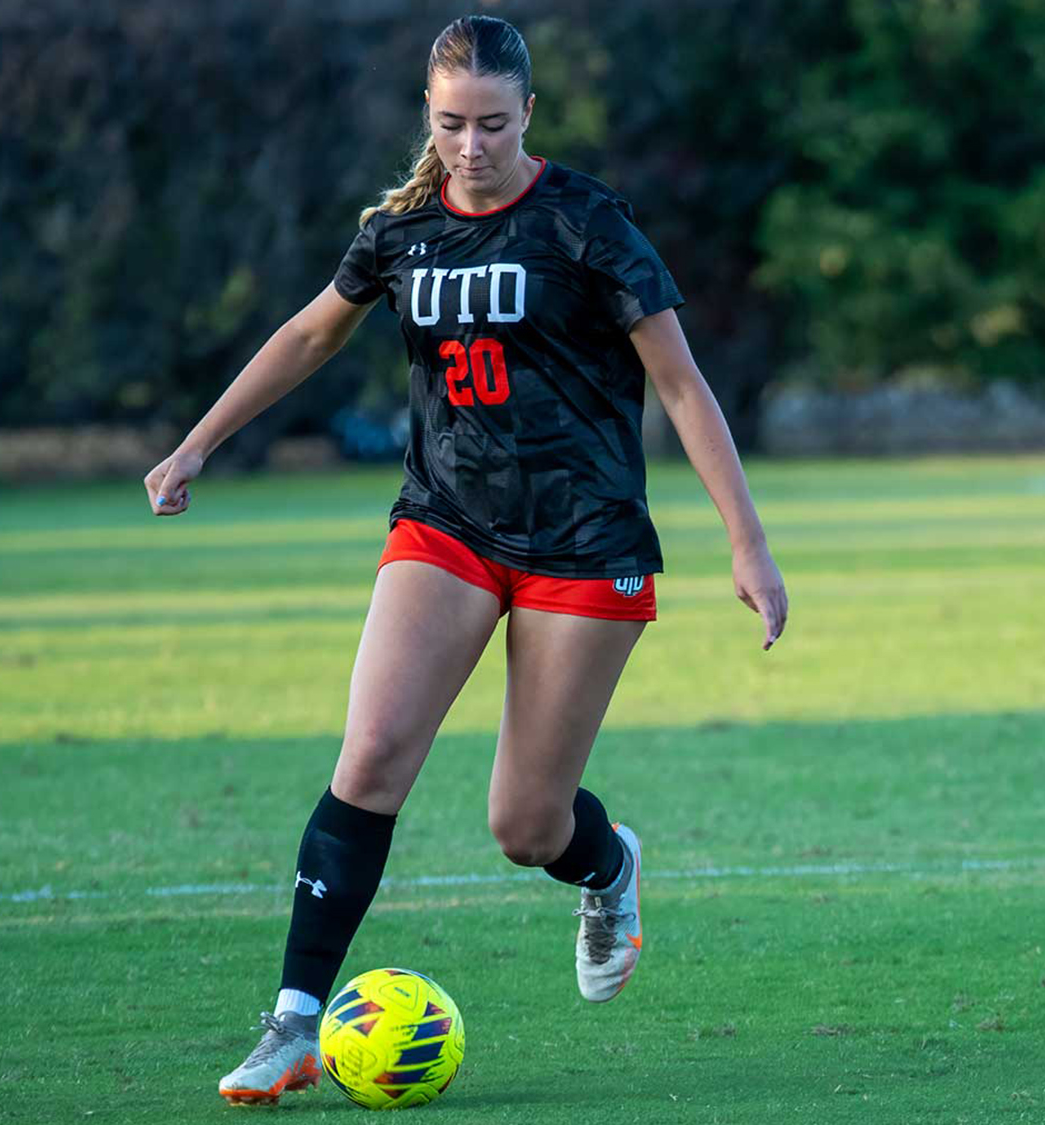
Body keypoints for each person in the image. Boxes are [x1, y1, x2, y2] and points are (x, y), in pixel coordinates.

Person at [142, 14, 788, 1106]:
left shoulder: (586, 222)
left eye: (492, 123)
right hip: (445, 524)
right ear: (428, 116)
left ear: (528, 113)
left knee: (525, 826)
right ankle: (292, 1022)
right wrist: (197, 443)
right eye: (451, 124)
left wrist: (748, 543)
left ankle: (608, 866)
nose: (471, 146)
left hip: (583, 538)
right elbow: (308, 334)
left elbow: (680, 385)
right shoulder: (400, 230)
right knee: (371, 755)